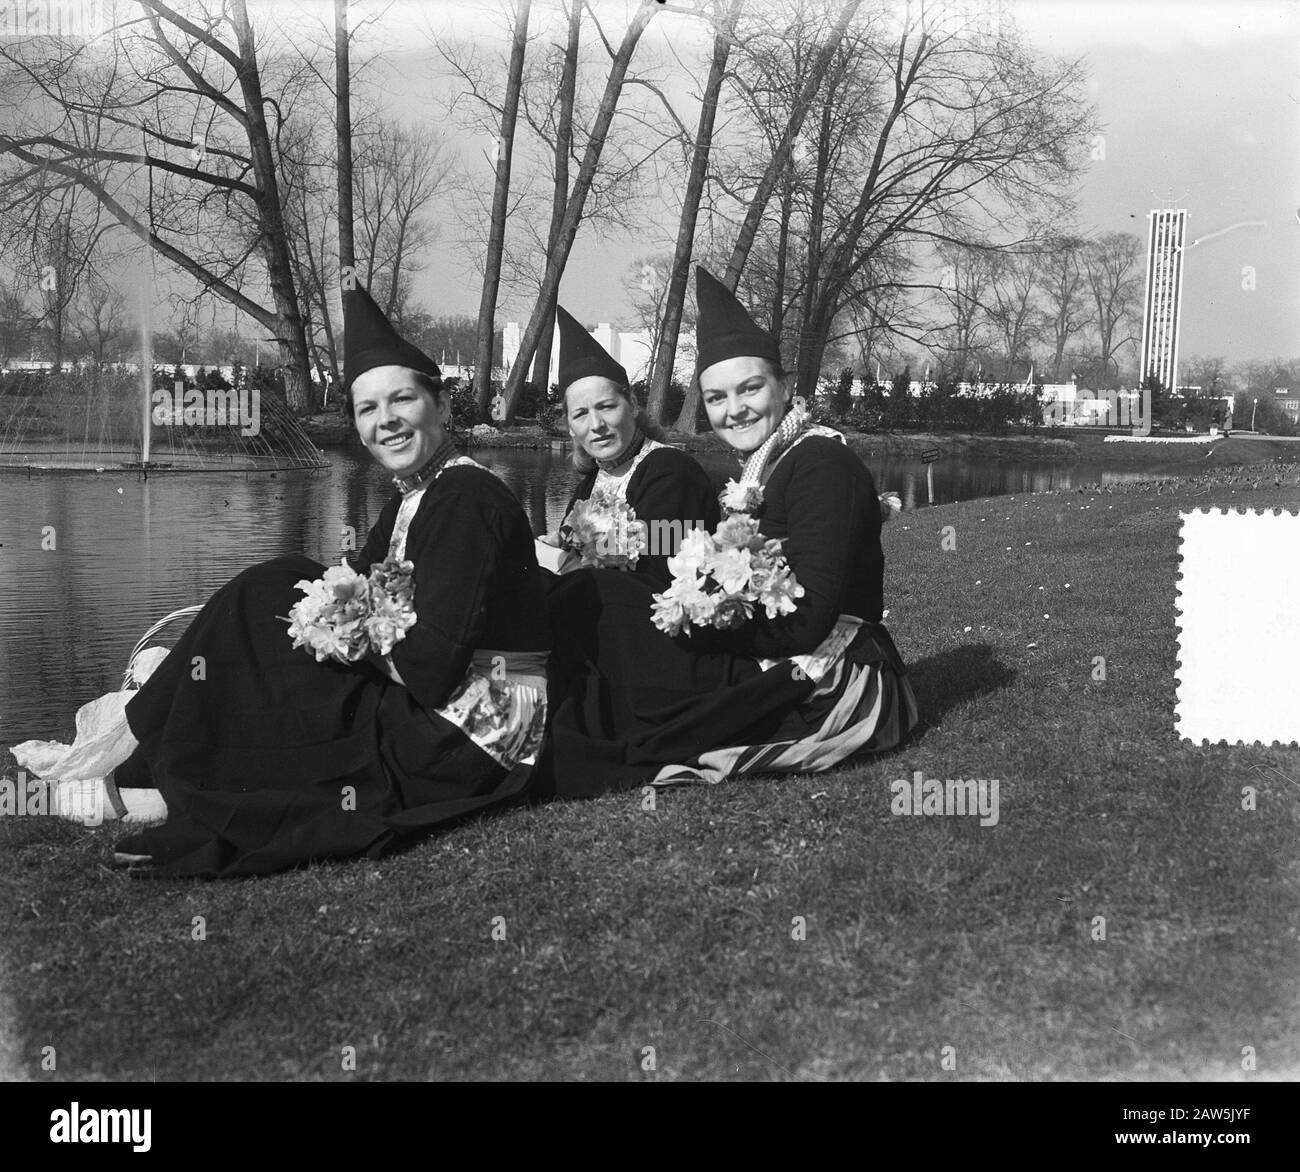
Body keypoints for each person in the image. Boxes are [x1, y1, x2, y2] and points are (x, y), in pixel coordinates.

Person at [101, 286, 551, 877]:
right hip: (439, 697)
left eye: (402, 400)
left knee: (272, 607)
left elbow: (431, 668)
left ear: (441, 407)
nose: (385, 420)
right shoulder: (417, 494)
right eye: (367, 409)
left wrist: (333, 631)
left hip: (472, 728)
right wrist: (322, 620)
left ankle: (160, 774)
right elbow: (358, 584)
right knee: (272, 595)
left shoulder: (464, 500)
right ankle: (155, 765)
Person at [542, 266, 916, 796]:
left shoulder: (816, 463)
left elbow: (802, 616)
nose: (733, 409)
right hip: (776, 644)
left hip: (834, 676)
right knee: (587, 601)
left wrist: (703, 621)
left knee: (602, 601)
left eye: (750, 389)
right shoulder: (766, 465)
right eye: (716, 398)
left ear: (785, 387)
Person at [537, 306, 718, 584]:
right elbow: (569, 541)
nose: (596, 424)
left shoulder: (672, 471)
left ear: (632, 405)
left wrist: (560, 560)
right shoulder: (593, 479)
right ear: (571, 427)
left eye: (606, 407)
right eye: (581, 414)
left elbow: (658, 562)